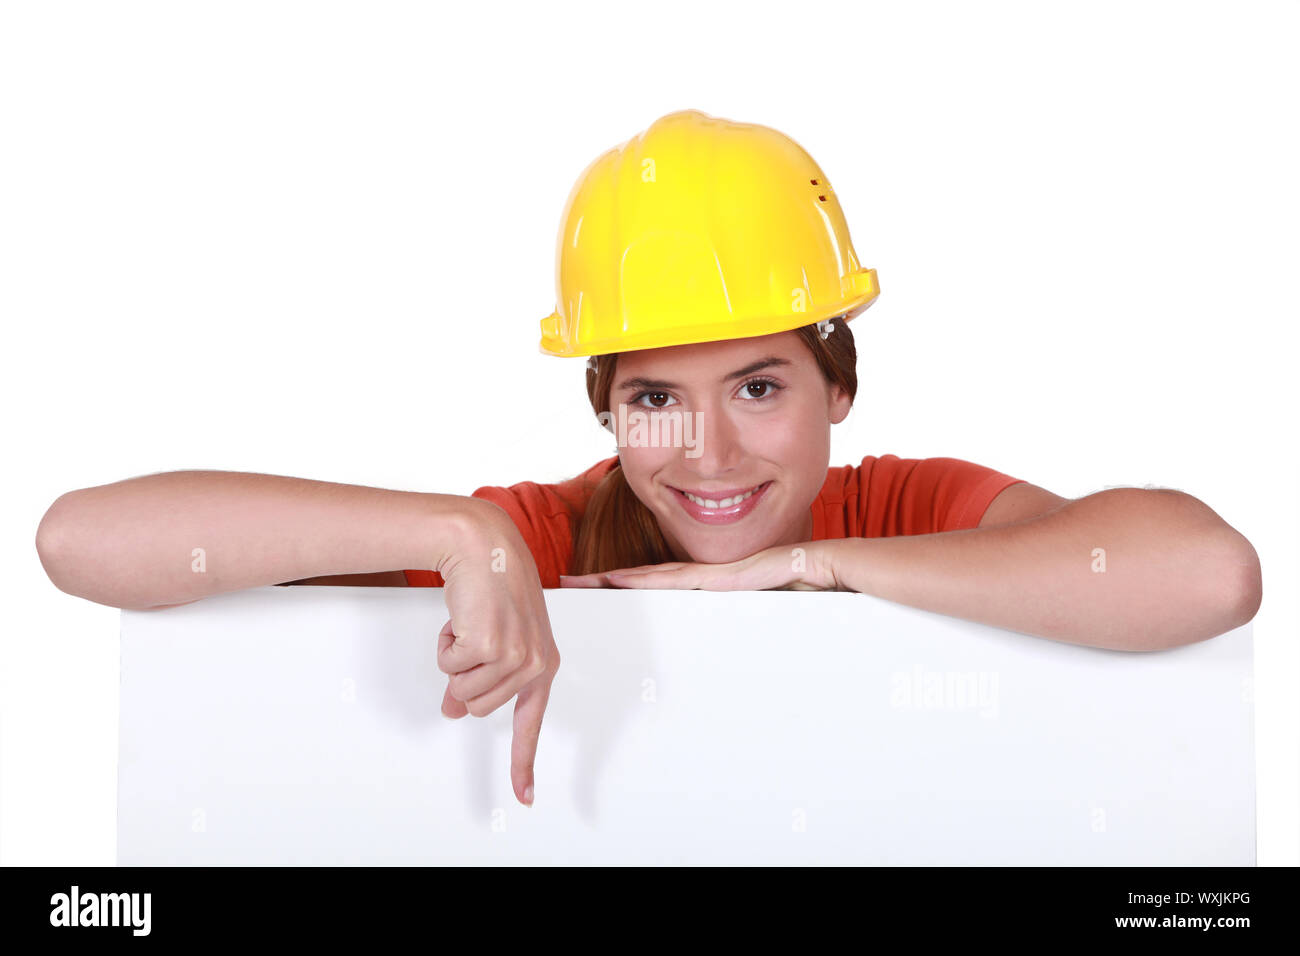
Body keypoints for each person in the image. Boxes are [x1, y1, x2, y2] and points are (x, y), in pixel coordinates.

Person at [34, 109, 1263, 811]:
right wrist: (456, 537)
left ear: (840, 384)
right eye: (657, 398)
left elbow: (1204, 574)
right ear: (607, 410)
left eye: (762, 387)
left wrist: (810, 569)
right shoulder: (542, 536)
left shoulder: (899, 504)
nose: (707, 450)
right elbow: (78, 540)